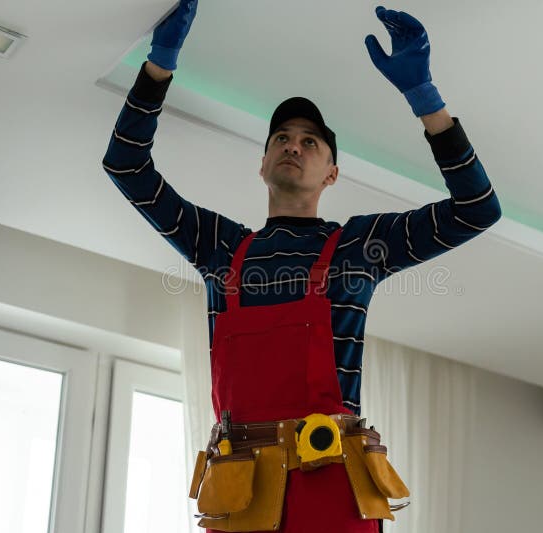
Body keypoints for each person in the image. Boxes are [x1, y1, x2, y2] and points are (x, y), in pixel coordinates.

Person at [102, 2, 501, 532]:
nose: (293, 146)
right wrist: (159, 65)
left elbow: (477, 209)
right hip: (241, 490)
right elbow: (126, 165)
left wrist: (425, 99)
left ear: (331, 174)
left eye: (310, 142)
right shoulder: (220, 248)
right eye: (282, 139)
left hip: (331, 480)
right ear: (263, 164)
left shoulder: (359, 247)